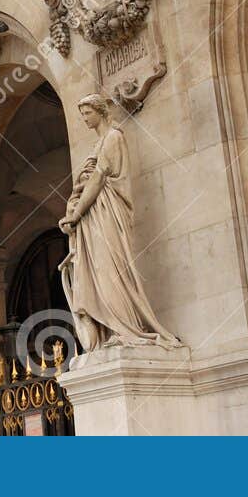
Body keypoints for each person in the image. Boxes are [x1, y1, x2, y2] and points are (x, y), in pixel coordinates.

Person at [59, 95, 179, 352]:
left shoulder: (113, 137)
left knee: (110, 269)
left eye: (87, 113)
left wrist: (75, 214)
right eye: (82, 114)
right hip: (95, 216)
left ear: (100, 112)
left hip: (107, 212)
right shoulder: (100, 142)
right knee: (98, 271)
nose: (84, 119)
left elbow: (99, 178)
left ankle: (124, 327)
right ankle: (111, 329)